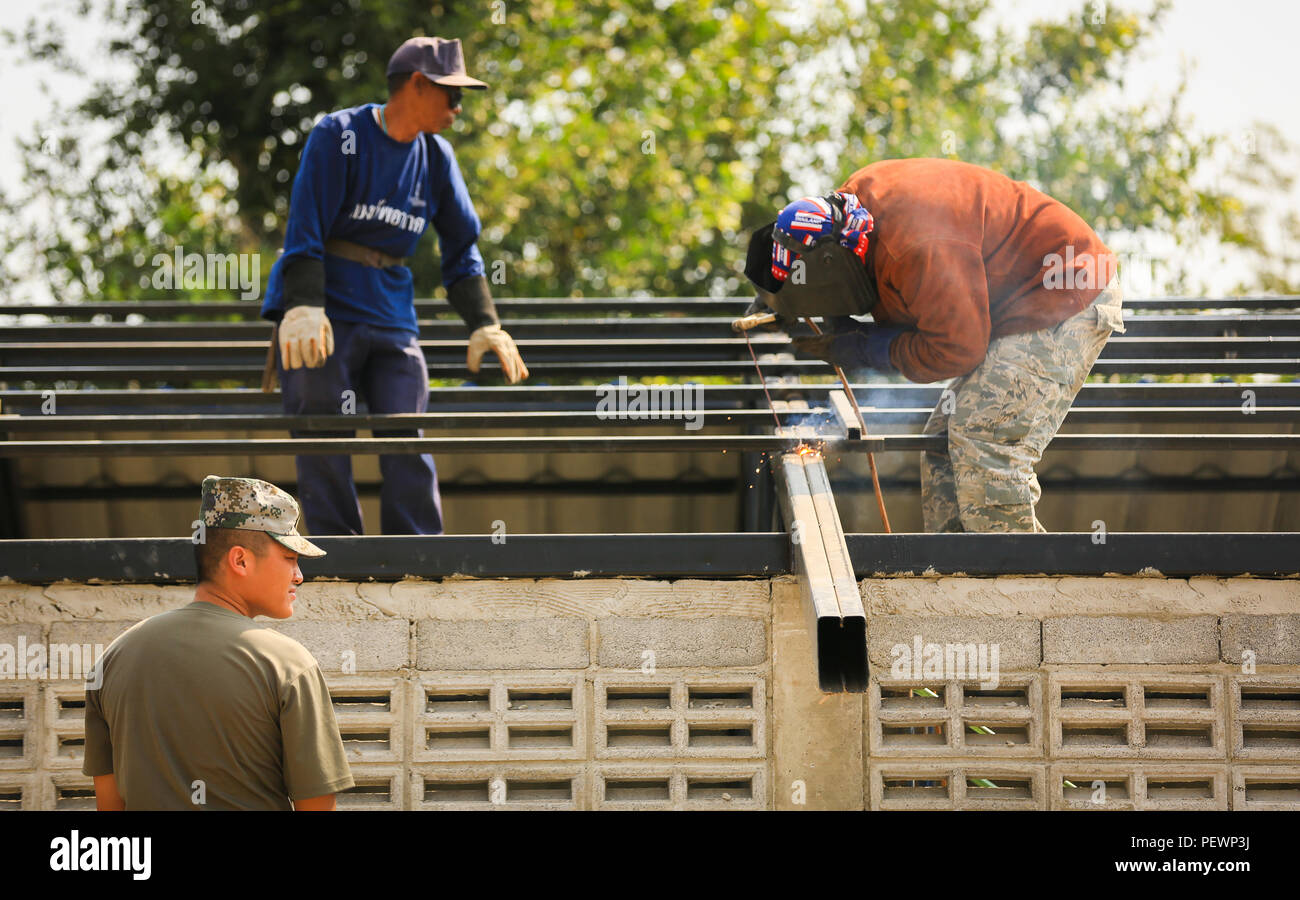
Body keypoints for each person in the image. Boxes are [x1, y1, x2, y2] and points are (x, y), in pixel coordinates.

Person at [751, 158, 1123, 532]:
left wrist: (867, 347)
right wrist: (781, 298)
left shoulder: (919, 247)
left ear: (833, 264)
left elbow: (957, 349)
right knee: (942, 442)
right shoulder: (852, 209)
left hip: (1065, 290)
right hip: (1009, 300)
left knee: (985, 437)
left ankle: (1015, 576)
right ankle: (958, 568)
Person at [260, 36, 529, 536]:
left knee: (406, 429)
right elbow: (305, 228)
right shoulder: (340, 134)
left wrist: (485, 325)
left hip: (390, 311)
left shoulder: (437, 157)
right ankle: (337, 553)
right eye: (452, 94)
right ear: (418, 85)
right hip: (324, 310)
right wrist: (300, 306)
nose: (458, 107)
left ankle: (418, 556)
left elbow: (461, 249)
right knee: (323, 431)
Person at [82, 475, 354, 810]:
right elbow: (317, 806)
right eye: (289, 558)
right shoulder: (286, 664)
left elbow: (110, 808)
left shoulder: (113, 658)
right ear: (240, 560)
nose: (299, 575)